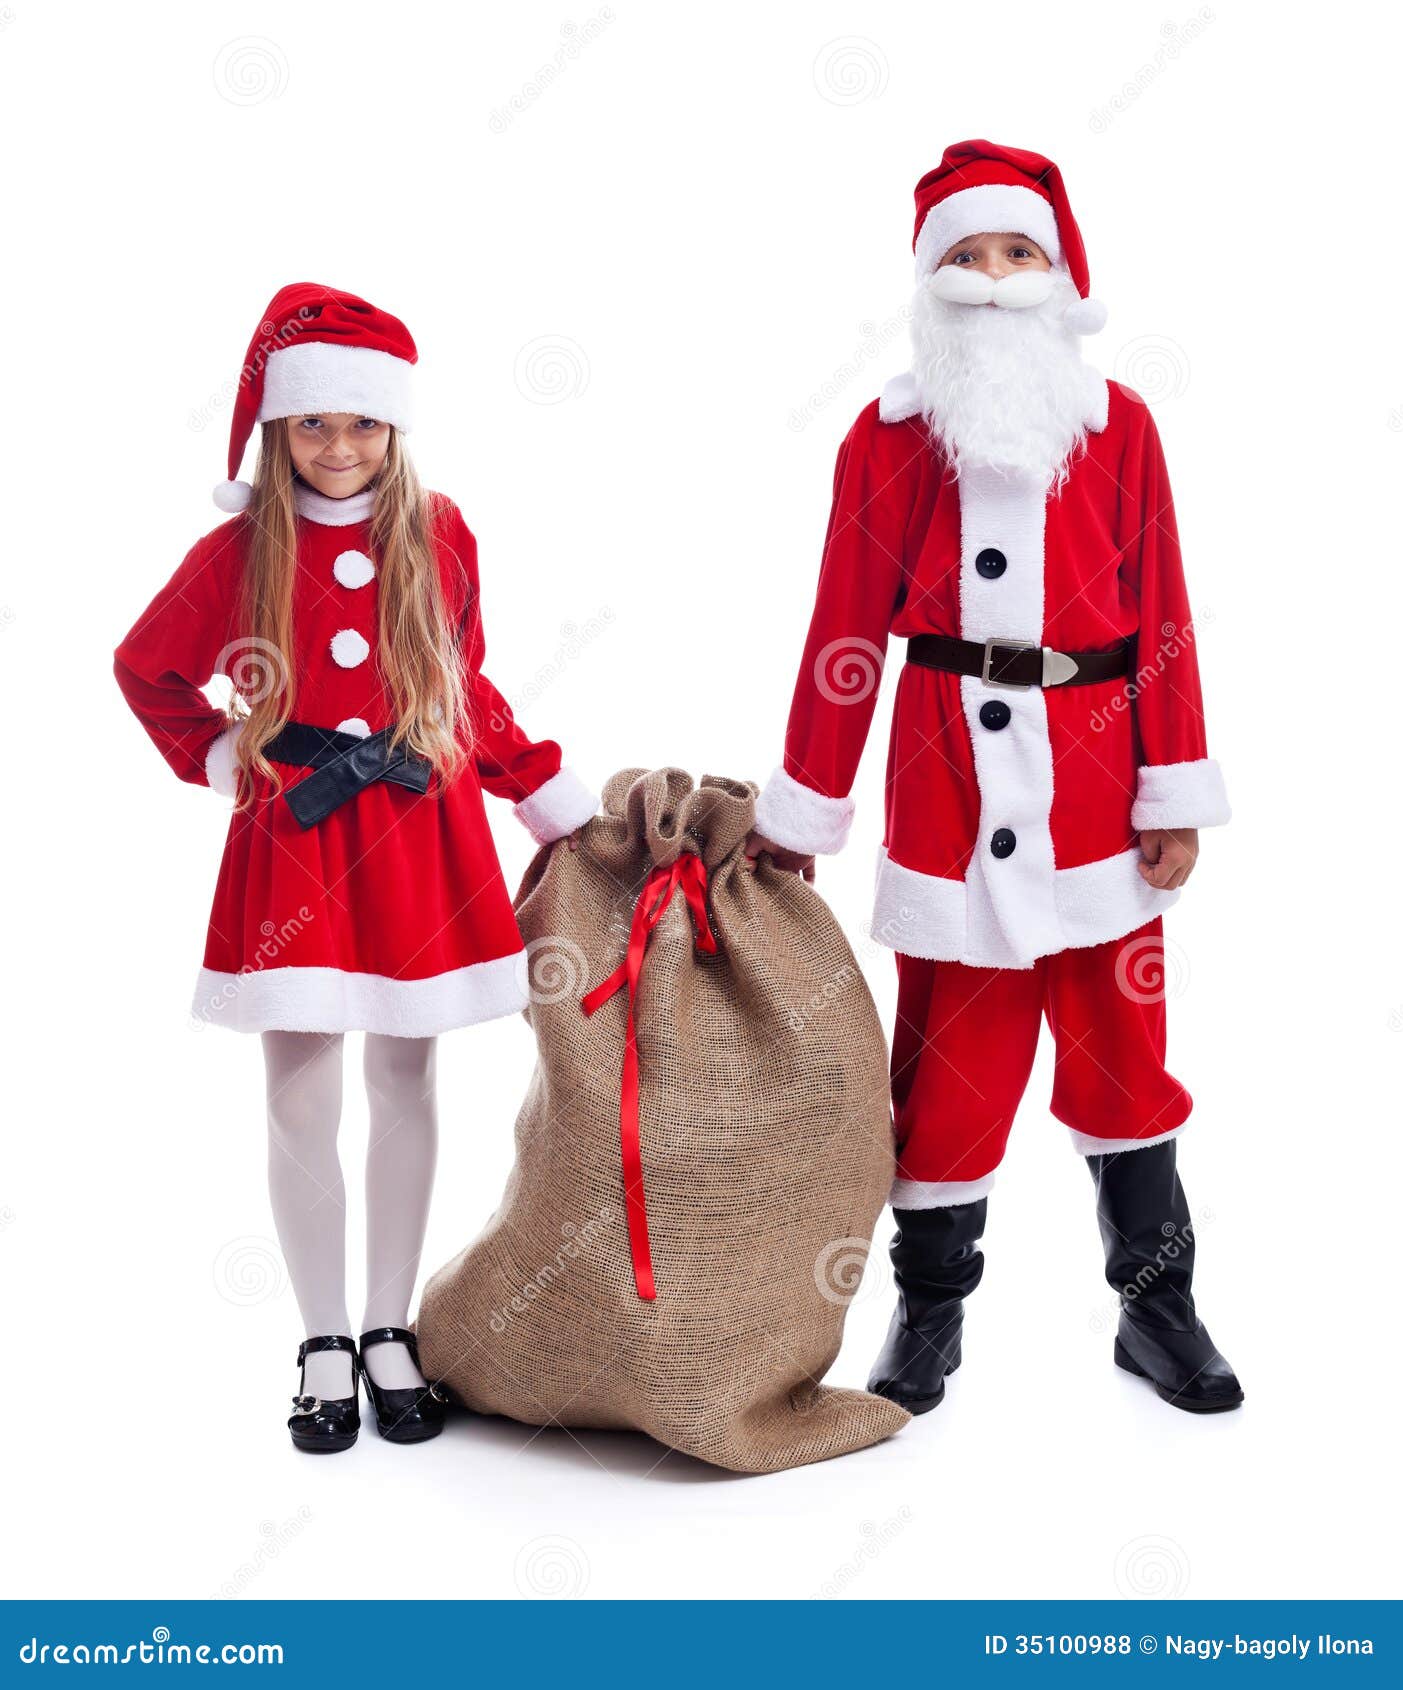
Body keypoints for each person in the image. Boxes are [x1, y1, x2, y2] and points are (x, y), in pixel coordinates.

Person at [748, 141, 1242, 1415]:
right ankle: (927, 1314)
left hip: (1094, 781)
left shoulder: (1118, 426)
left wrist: (1170, 788)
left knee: (1125, 1061)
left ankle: (1158, 1307)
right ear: (927, 282)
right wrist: (806, 800)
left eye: (1014, 253)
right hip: (944, 780)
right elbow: (844, 629)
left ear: (1057, 274)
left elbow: (1166, 612)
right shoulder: (887, 436)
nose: (989, 278)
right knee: (948, 1067)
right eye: (963, 257)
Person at [114, 284, 598, 1452]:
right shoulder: (236, 550)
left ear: (396, 428)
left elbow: (460, 687)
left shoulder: (441, 536)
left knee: (404, 1083)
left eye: (364, 424)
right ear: (278, 432)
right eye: (314, 425)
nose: (340, 447)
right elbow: (144, 669)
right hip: (292, 840)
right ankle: (321, 1335)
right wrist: (231, 753)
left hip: (413, 835)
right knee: (298, 1092)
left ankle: (391, 1326)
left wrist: (541, 791)